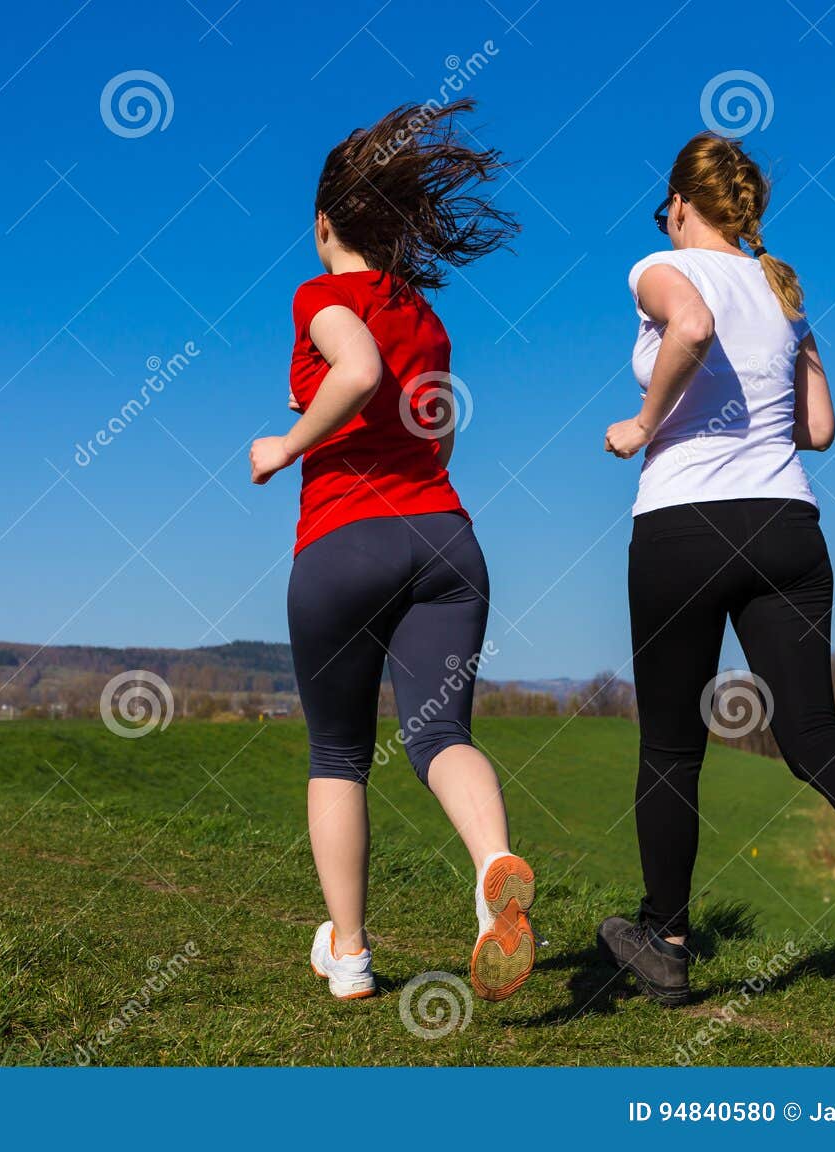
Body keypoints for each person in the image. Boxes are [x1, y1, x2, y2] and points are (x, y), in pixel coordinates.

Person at [595, 131, 835, 1019]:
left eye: (668, 211)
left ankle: (667, 940)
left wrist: (645, 424)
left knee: (670, 749)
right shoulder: (780, 290)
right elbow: (820, 427)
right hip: (786, 526)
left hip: (683, 527)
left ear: (682, 206)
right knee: (812, 730)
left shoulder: (660, 266)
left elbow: (688, 324)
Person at [248, 99, 535, 1002]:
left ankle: (352, 952)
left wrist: (286, 445)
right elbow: (437, 432)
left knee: (338, 752)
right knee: (439, 730)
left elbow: (359, 369)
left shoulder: (320, 296)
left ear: (325, 223)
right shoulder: (429, 318)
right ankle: (494, 872)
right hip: (447, 540)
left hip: (343, 540)